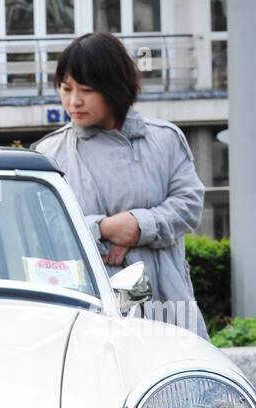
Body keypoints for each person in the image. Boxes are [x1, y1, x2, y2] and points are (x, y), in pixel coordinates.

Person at [32, 31, 207, 337]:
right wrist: (103, 229)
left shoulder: (164, 140)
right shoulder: (50, 154)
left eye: (86, 90)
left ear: (114, 88)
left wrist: (140, 225)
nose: (74, 101)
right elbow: (42, 232)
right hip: (86, 310)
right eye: (65, 88)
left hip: (166, 306)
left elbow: (189, 204)